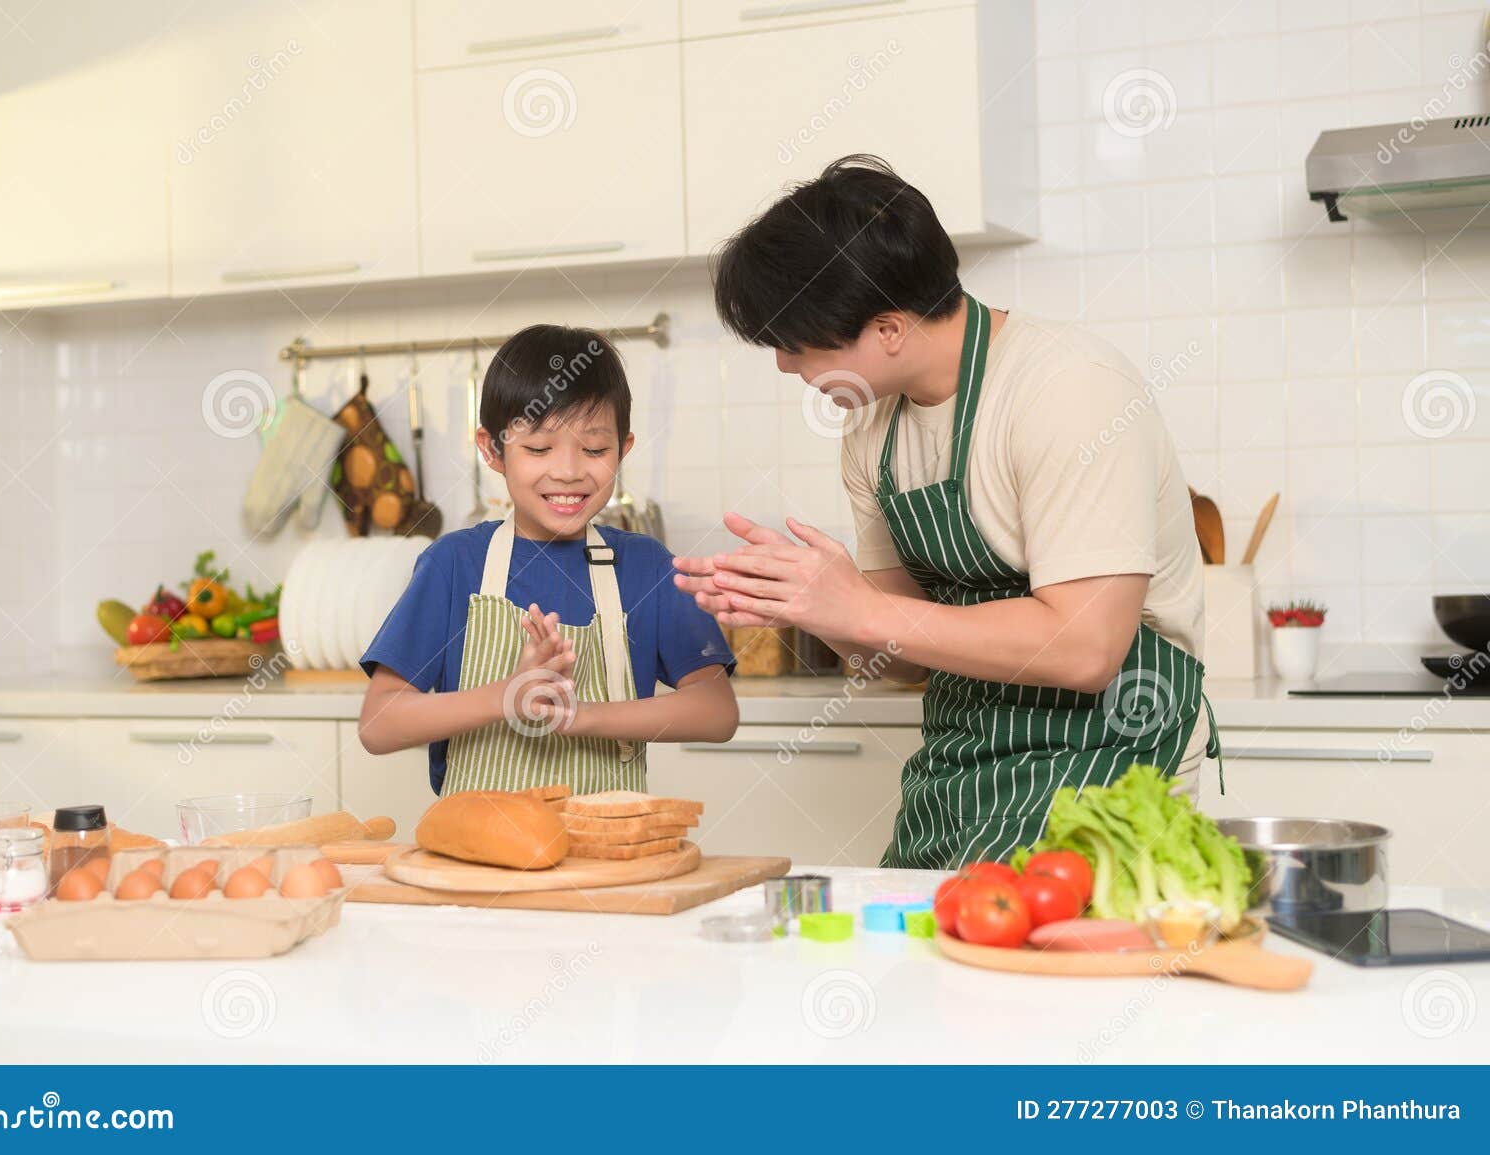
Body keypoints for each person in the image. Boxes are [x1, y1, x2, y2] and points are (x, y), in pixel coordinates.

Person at [675, 155, 1214, 870]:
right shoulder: (872, 427)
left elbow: (1087, 649)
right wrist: (809, 606)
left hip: (1113, 759)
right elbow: (900, 659)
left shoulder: (1068, 389)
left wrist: (857, 608)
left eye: (797, 340)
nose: (783, 364)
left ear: (889, 329)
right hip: (960, 770)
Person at [359, 324, 737, 796]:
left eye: (596, 449)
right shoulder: (453, 565)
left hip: (608, 855)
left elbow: (716, 712)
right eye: (538, 448)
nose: (569, 471)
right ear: (493, 450)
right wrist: (506, 696)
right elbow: (378, 723)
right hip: (478, 859)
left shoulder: (646, 566)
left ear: (624, 448)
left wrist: (582, 716)